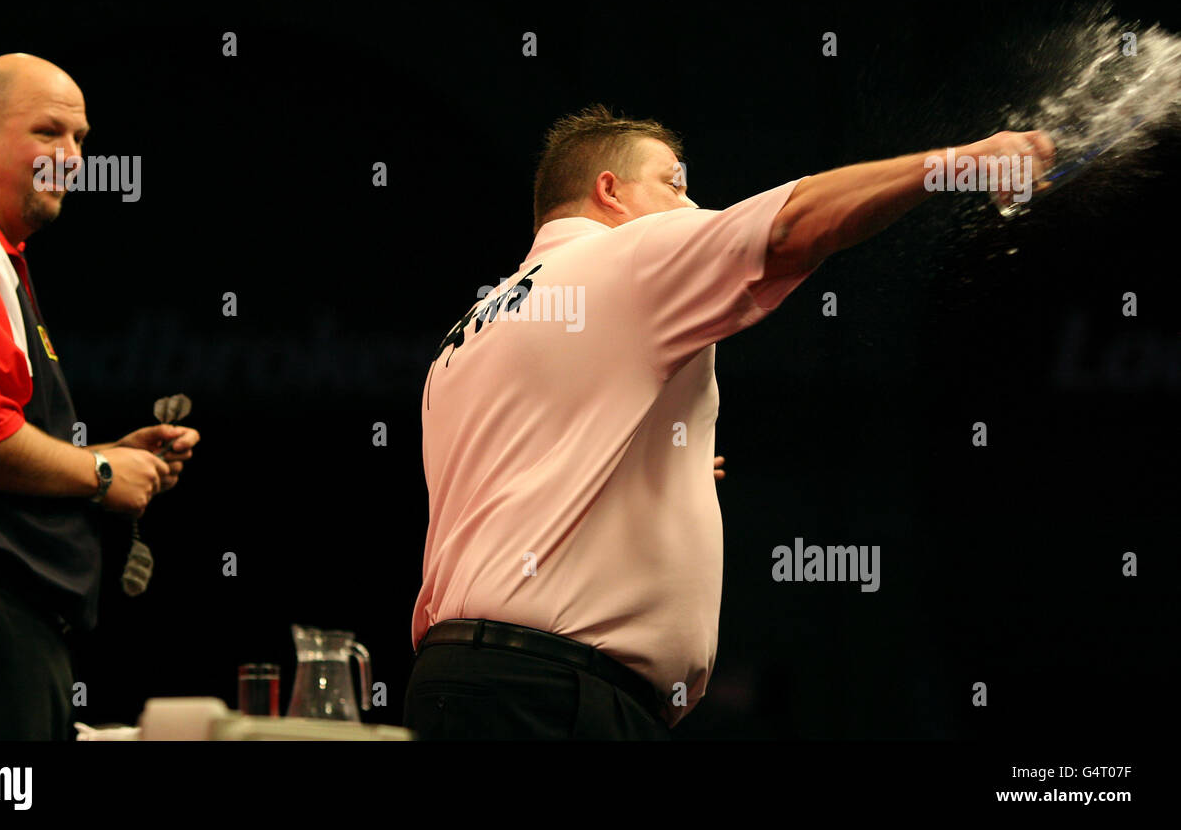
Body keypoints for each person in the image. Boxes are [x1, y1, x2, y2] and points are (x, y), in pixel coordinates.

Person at [403, 103, 1054, 740]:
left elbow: (535, 477)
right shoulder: (626, 256)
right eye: (673, 185)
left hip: (455, 684)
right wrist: (964, 162)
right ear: (610, 191)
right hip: (555, 698)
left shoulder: (467, 336)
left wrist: (655, 467)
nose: (690, 206)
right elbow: (790, 225)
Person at [0, 53, 201, 740]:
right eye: (49, 132)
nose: (73, 157)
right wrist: (102, 472)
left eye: (81, 139)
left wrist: (110, 454)